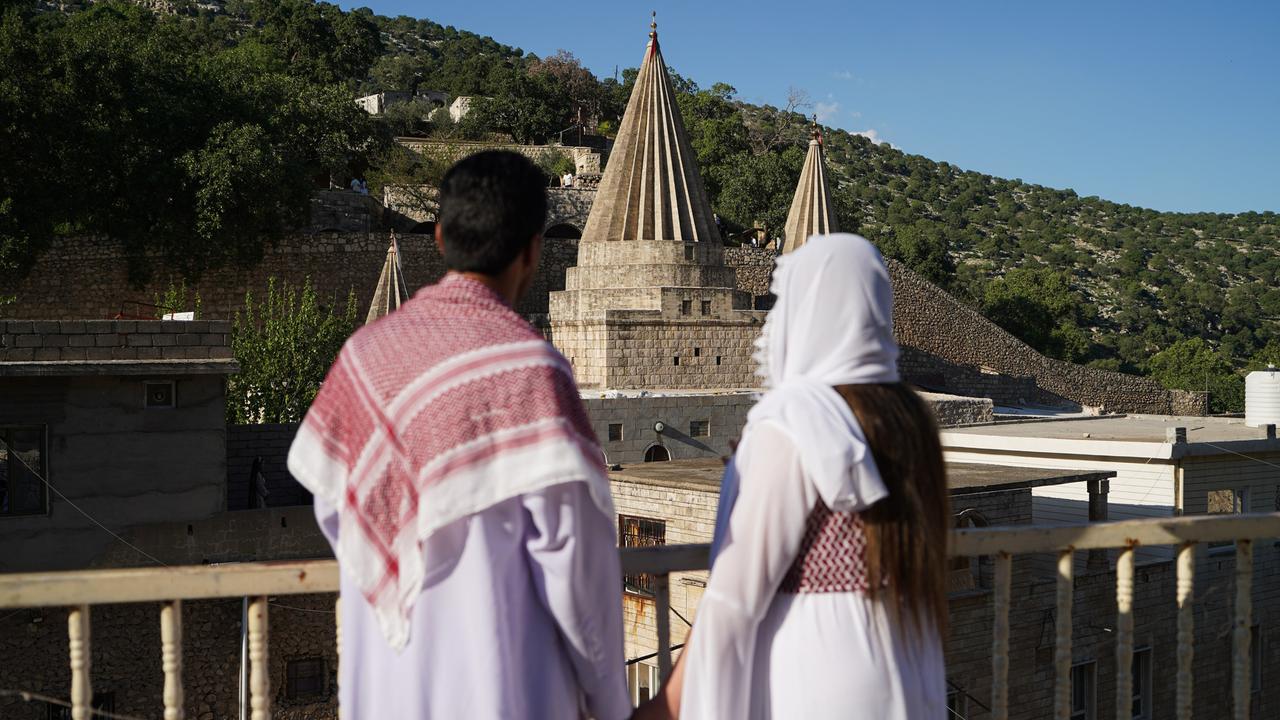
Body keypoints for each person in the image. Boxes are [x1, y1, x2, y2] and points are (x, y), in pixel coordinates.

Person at [288, 150, 630, 720]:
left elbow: (334, 507)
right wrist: (609, 699)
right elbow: (575, 558)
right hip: (505, 683)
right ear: (533, 250)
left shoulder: (364, 357)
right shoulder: (532, 370)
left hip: (384, 677)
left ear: (441, 237)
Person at [639, 234, 950, 719]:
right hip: (905, 660)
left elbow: (735, 595)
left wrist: (667, 706)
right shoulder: (909, 416)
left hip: (817, 667)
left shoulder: (794, 417)